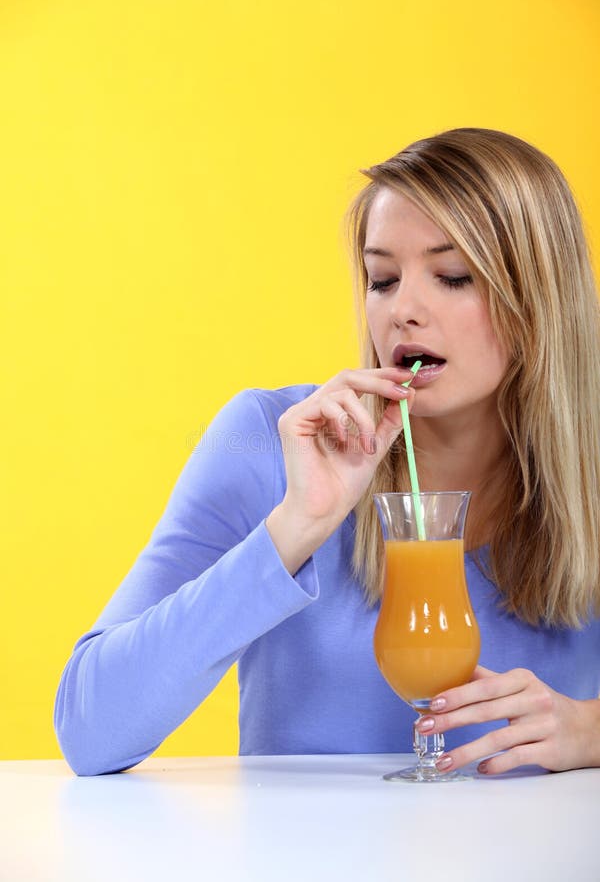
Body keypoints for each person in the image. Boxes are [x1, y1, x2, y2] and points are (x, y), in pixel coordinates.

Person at [54, 127, 600, 777]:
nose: (404, 310)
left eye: (452, 277)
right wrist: (298, 524)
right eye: (382, 278)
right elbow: (91, 730)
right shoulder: (270, 438)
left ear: (539, 300)